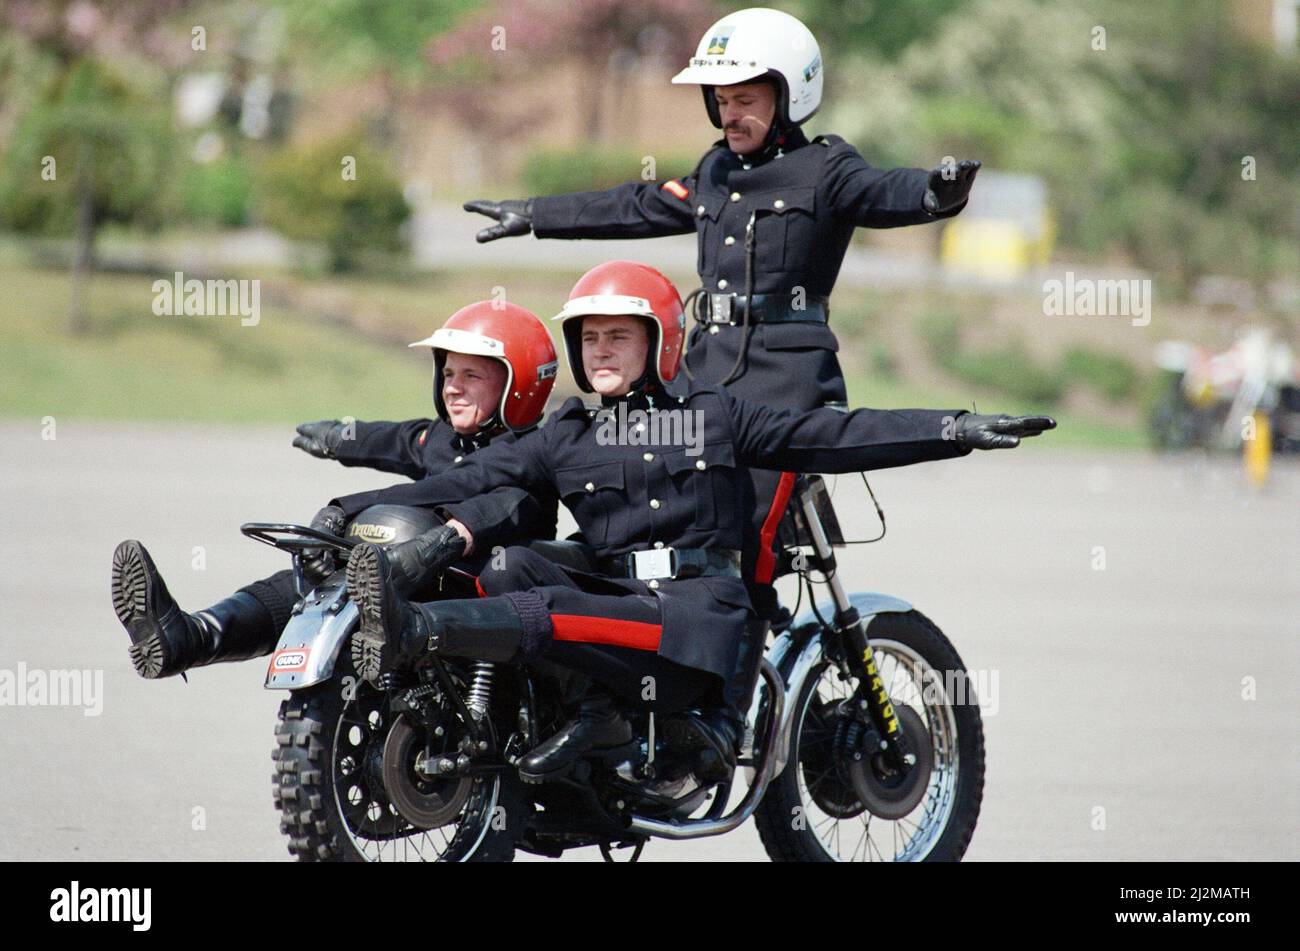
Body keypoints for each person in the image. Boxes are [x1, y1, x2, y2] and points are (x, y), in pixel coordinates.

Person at [329, 261, 1053, 784]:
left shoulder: (716, 415)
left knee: (546, 604)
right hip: (613, 616)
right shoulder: (568, 430)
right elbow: (469, 477)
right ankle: (575, 721)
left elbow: (835, 434)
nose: (602, 351)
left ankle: (415, 630)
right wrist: (344, 518)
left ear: (659, 345)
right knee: (511, 565)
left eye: (619, 336)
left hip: (693, 624)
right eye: (590, 338)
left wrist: (955, 428)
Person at [461, 7, 983, 620]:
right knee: (648, 479)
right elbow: (638, 204)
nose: (731, 113)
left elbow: (882, 191)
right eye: (721, 99)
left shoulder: (826, 168)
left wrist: (932, 193)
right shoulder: (715, 170)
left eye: (745, 99)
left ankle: (740, 642)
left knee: (750, 519)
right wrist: (535, 214)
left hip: (787, 376)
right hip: (706, 367)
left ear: (789, 95)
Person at [109, 301, 559, 680]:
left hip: (482, 610)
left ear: (518, 384)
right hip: (409, 588)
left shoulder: (531, 452)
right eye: (448, 373)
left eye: (472, 376)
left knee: (394, 542)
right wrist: (337, 437)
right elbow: (394, 439)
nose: (453, 388)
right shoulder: (443, 438)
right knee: (313, 580)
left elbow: (458, 486)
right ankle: (194, 636)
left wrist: (343, 509)